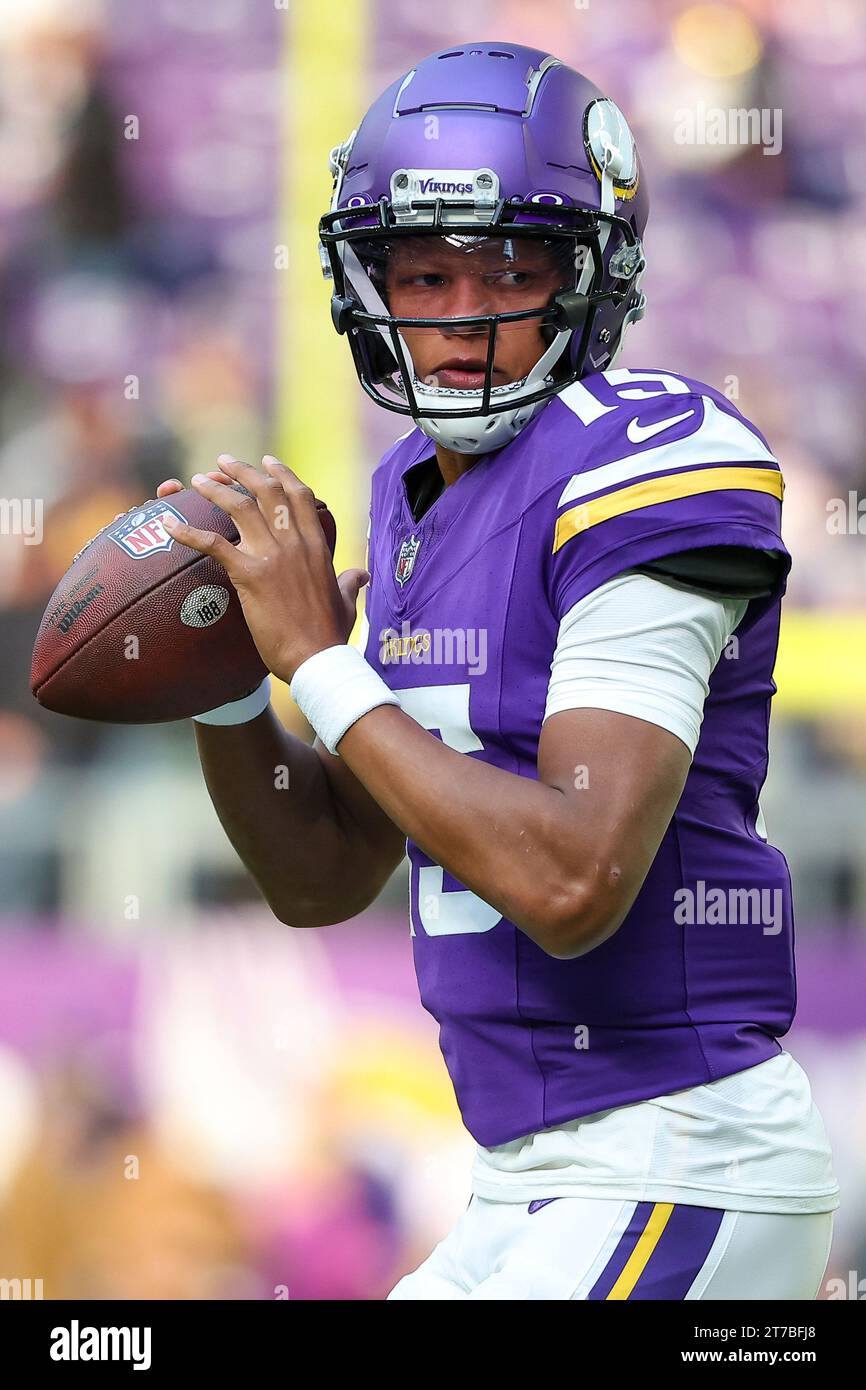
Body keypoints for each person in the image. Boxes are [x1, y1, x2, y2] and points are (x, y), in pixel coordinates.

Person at [155, 43, 838, 1299]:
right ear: (365, 281)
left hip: (673, 1156)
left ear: (595, 276)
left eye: (509, 271)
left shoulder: (656, 453)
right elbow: (321, 876)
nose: (459, 316)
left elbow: (572, 874)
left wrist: (321, 661)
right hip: (521, 1181)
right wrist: (230, 681)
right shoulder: (412, 495)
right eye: (421, 272)